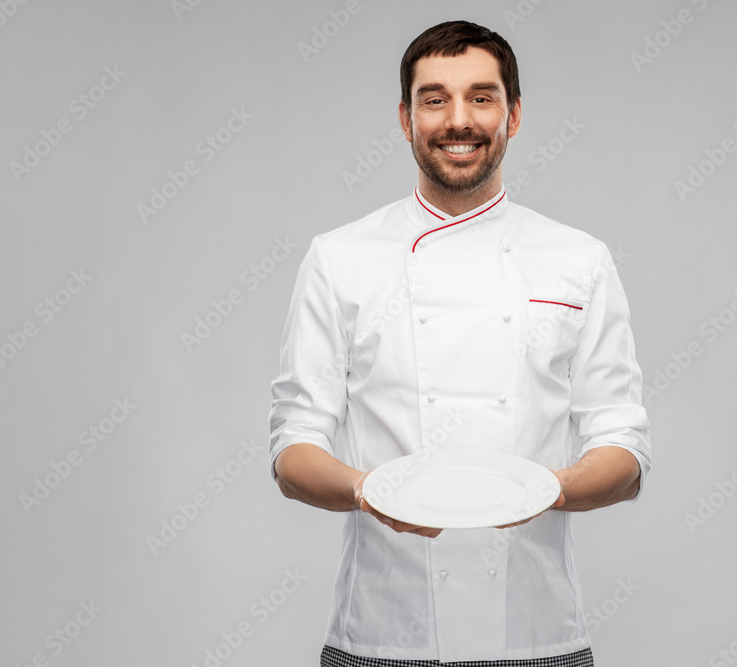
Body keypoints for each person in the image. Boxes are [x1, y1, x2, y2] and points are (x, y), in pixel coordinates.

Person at [269, 20, 651, 666]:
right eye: (434, 98)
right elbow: (292, 449)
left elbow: (626, 449)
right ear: (404, 116)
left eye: (481, 96)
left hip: (538, 637)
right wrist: (369, 491)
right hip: (383, 636)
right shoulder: (340, 259)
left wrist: (547, 489)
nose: (458, 120)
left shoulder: (577, 260)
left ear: (515, 113)